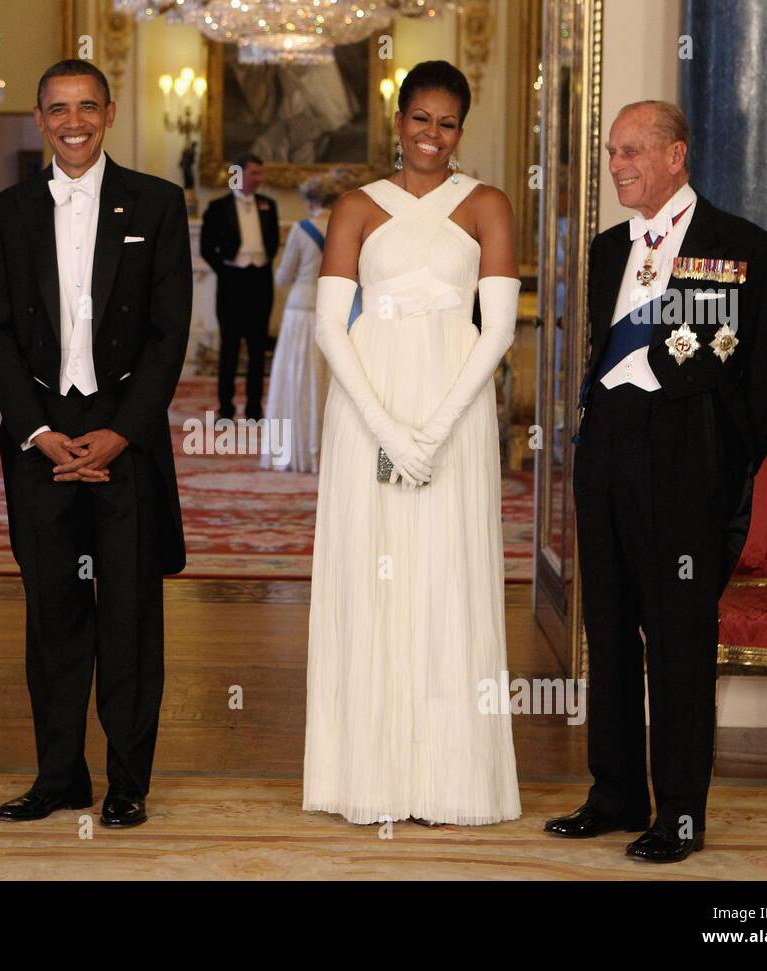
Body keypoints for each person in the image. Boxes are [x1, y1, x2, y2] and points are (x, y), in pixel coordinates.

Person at [544, 101, 767, 862]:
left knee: (679, 642)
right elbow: (603, 362)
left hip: (687, 468)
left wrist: (719, 463)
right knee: (609, 632)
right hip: (609, 461)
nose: (617, 164)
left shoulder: (739, 247)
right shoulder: (607, 249)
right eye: (613, 152)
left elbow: (763, 375)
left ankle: (680, 813)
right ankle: (615, 792)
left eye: (631, 151)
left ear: (676, 155)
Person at [303, 61, 521, 825]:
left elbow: (494, 331)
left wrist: (433, 432)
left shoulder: (487, 204)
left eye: (448, 122)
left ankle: (451, 780)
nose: (433, 135)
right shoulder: (356, 206)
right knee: (374, 580)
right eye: (420, 119)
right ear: (398, 123)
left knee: (446, 576)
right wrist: (391, 431)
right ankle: (369, 774)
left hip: (455, 412)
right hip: (368, 411)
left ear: (463, 128)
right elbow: (331, 325)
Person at [0, 60, 191, 829]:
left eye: (88, 107)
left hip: (125, 440)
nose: (74, 121)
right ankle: (58, 775)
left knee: (130, 616)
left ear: (109, 111)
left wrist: (119, 432)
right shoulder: (5, 214)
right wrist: (39, 432)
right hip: (42, 442)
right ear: (39, 118)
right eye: (59, 109)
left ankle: (126, 782)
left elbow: (171, 334)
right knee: (53, 616)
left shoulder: (159, 205)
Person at [260, 169, 352, 473]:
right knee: (328, 378)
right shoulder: (345, 227)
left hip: (301, 309)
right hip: (334, 307)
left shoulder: (301, 229)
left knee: (297, 377)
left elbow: (283, 276)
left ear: (310, 200)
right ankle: (327, 448)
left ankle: (294, 448)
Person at [200, 152, 280, 421]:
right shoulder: (218, 207)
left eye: (260, 173)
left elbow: (273, 241)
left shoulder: (268, 205)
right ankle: (226, 408)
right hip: (232, 283)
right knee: (230, 349)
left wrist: (261, 262)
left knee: (257, 349)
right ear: (239, 174)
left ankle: (255, 409)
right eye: (254, 173)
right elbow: (206, 248)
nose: (259, 178)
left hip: (260, 283)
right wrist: (226, 270)